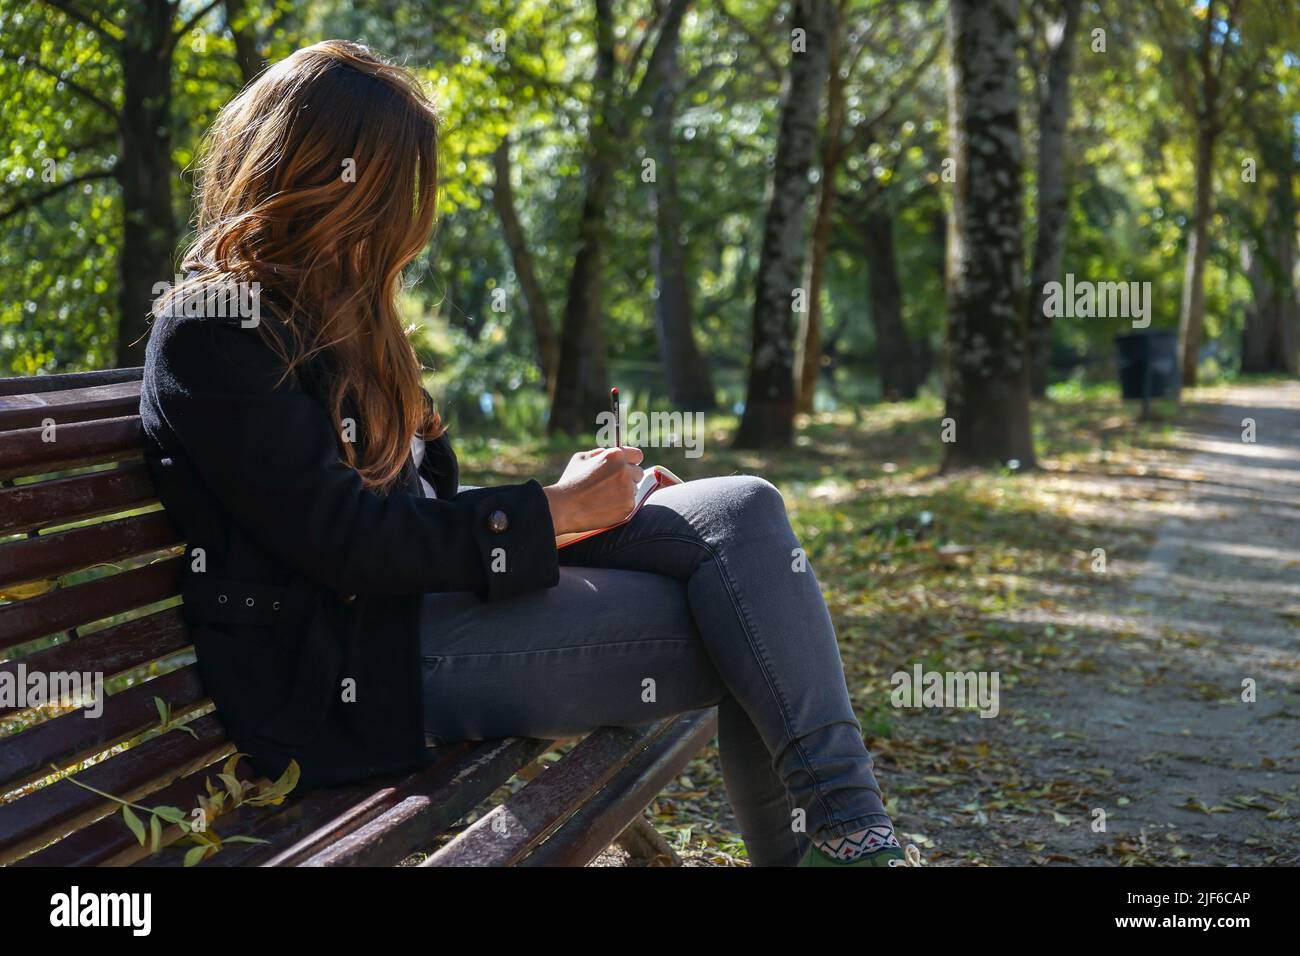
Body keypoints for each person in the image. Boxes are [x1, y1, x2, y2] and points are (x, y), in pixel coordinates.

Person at [140, 40, 915, 867]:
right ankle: (851, 843)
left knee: (743, 512)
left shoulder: (344, 313)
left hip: (416, 607)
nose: (405, 218)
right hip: (354, 665)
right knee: (752, 626)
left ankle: (851, 834)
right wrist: (548, 513)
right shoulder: (215, 330)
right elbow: (347, 543)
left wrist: (573, 512)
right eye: (390, 190)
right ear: (318, 180)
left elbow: (422, 505)